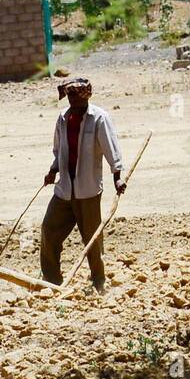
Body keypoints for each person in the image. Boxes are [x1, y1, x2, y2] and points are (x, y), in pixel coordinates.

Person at [41, 78, 125, 293]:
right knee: (49, 231)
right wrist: (53, 170)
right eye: (70, 95)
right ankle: (51, 282)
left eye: (77, 95)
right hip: (64, 190)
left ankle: (99, 281)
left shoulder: (99, 118)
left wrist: (117, 175)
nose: (73, 99)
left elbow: (111, 147)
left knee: (92, 240)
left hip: (88, 191)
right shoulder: (63, 118)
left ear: (86, 95)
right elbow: (59, 150)